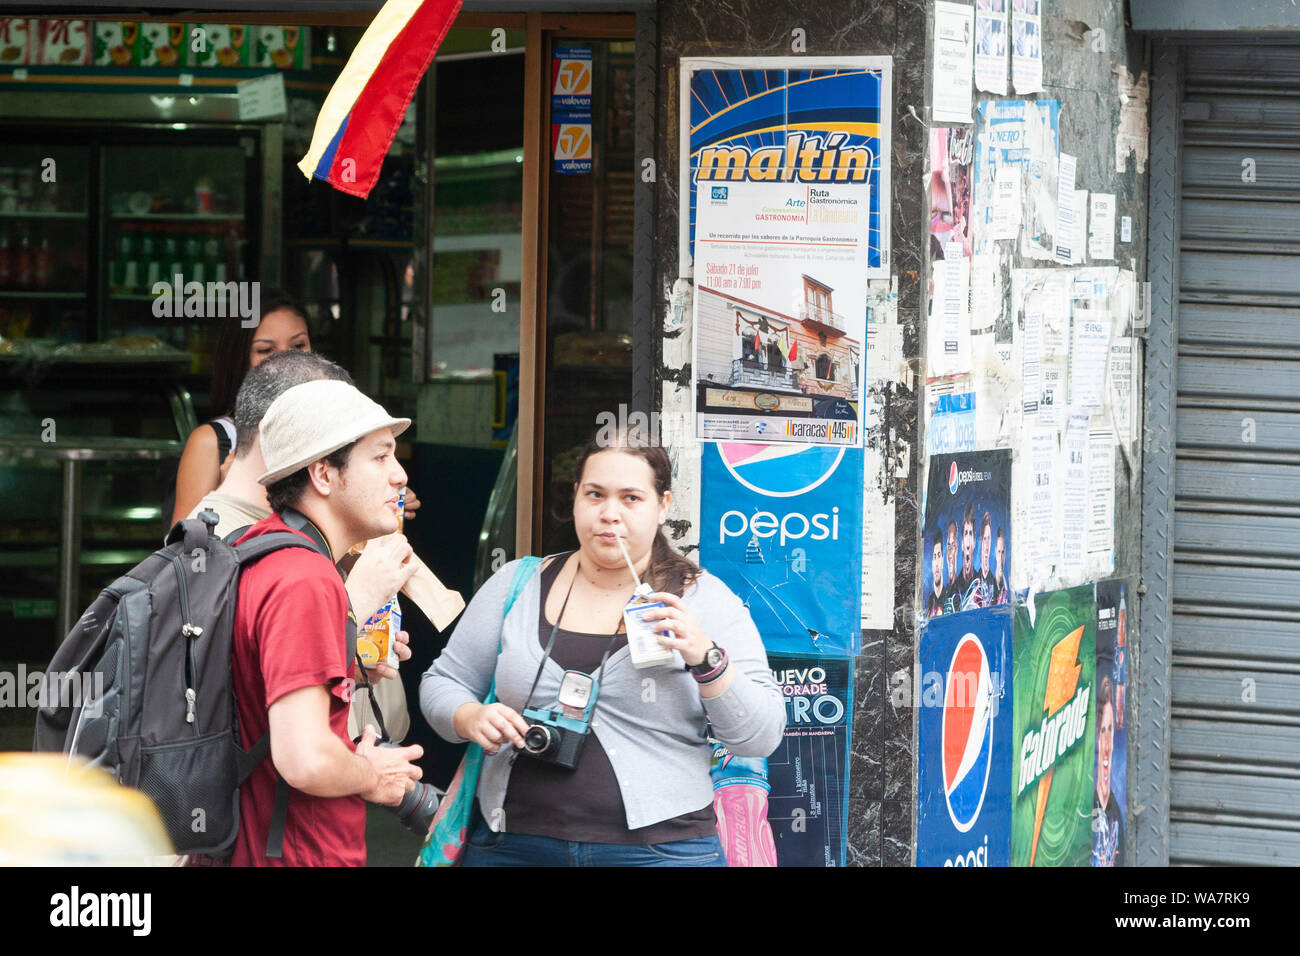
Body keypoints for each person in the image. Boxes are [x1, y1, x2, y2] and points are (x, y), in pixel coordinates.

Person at [420, 430, 786, 867]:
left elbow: (760, 736)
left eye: (631, 498)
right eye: (595, 495)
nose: (610, 514)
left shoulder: (703, 600)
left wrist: (705, 658)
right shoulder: (517, 585)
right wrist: (469, 716)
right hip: (513, 844)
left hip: (662, 851)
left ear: (663, 506)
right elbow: (443, 683)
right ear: (575, 497)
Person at [226, 378, 424, 866]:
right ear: (323, 475)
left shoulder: (257, 547)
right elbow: (307, 759)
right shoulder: (305, 578)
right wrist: (374, 774)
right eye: (379, 458)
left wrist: (346, 664)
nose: (399, 475)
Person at [188, 348, 418, 742]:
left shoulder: (310, 530)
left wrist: (354, 654)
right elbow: (241, 703)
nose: (399, 475)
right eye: (377, 456)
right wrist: (355, 602)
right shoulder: (218, 541)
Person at [170, 291, 312, 528]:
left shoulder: (332, 432)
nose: (287, 361)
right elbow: (185, 554)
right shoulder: (213, 442)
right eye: (265, 350)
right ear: (239, 359)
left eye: (298, 345)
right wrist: (231, 495)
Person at [1092, 675, 1123, 866]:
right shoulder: (1085, 808)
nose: (1106, 742)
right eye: (1102, 730)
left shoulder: (1116, 814)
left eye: (1110, 729)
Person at [956, 503, 986, 611]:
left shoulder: (982, 584)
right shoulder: (954, 587)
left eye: (970, 533)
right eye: (965, 533)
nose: (968, 540)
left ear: (974, 542)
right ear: (962, 543)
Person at [941, 520, 960, 614]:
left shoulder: (962, 590)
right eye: (948, 547)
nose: (950, 555)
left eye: (953, 546)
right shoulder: (943, 592)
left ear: (958, 549)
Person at [927, 533, 946, 618]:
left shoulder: (948, 597)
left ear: (942, 560)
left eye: (938, 556)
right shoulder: (930, 601)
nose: (937, 564)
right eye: (934, 557)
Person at [978, 511, 996, 601]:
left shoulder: (995, 583)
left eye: (989, 538)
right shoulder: (974, 582)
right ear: (981, 540)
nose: (987, 544)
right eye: (985, 538)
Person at [993, 526, 1010, 605]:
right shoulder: (989, 587)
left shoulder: (1008, 586)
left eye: (1003, 552)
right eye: (999, 552)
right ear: (995, 552)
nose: (1000, 557)